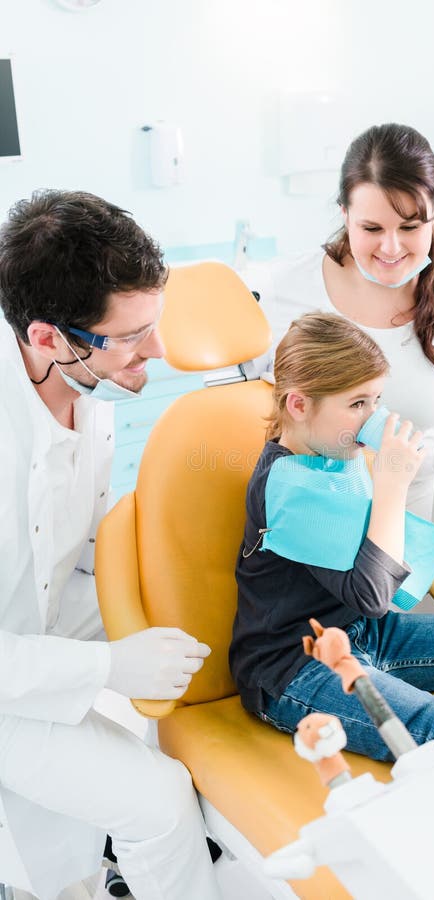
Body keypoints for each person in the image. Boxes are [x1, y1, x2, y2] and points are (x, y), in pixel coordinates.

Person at [0, 190, 221, 900]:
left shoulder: (82, 388)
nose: (157, 350)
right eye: (129, 336)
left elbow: (81, 549)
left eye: (153, 323)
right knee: (158, 805)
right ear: (46, 337)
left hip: (42, 630)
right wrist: (104, 665)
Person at [230, 312, 434, 761]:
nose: (372, 417)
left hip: (363, 633)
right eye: (358, 404)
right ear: (299, 406)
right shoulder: (289, 487)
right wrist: (393, 485)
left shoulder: (336, 448)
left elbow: (371, 582)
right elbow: (372, 595)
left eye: (376, 400)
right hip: (293, 667)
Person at [244, 123, 434, 519]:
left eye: (410, 227)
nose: (391, 248)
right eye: (371, 228)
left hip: (416, 522)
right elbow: (230, 411)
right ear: (344, 214)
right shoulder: (278, 290)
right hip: (306, 527)